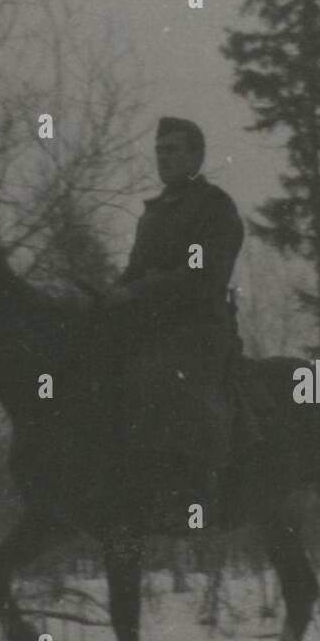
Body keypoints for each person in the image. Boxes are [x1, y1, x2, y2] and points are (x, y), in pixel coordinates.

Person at [105, 116, 254, 528]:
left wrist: (138, 292)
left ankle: (194, 490)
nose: (164, 158)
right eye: (159, 151)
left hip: (199, 324)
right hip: (151, 324)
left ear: (196, 156)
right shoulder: (153, 214)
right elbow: (134, 272)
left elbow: (205, 274)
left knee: (164, 374)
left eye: (173, 150)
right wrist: (107, 296)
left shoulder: (213, 207)